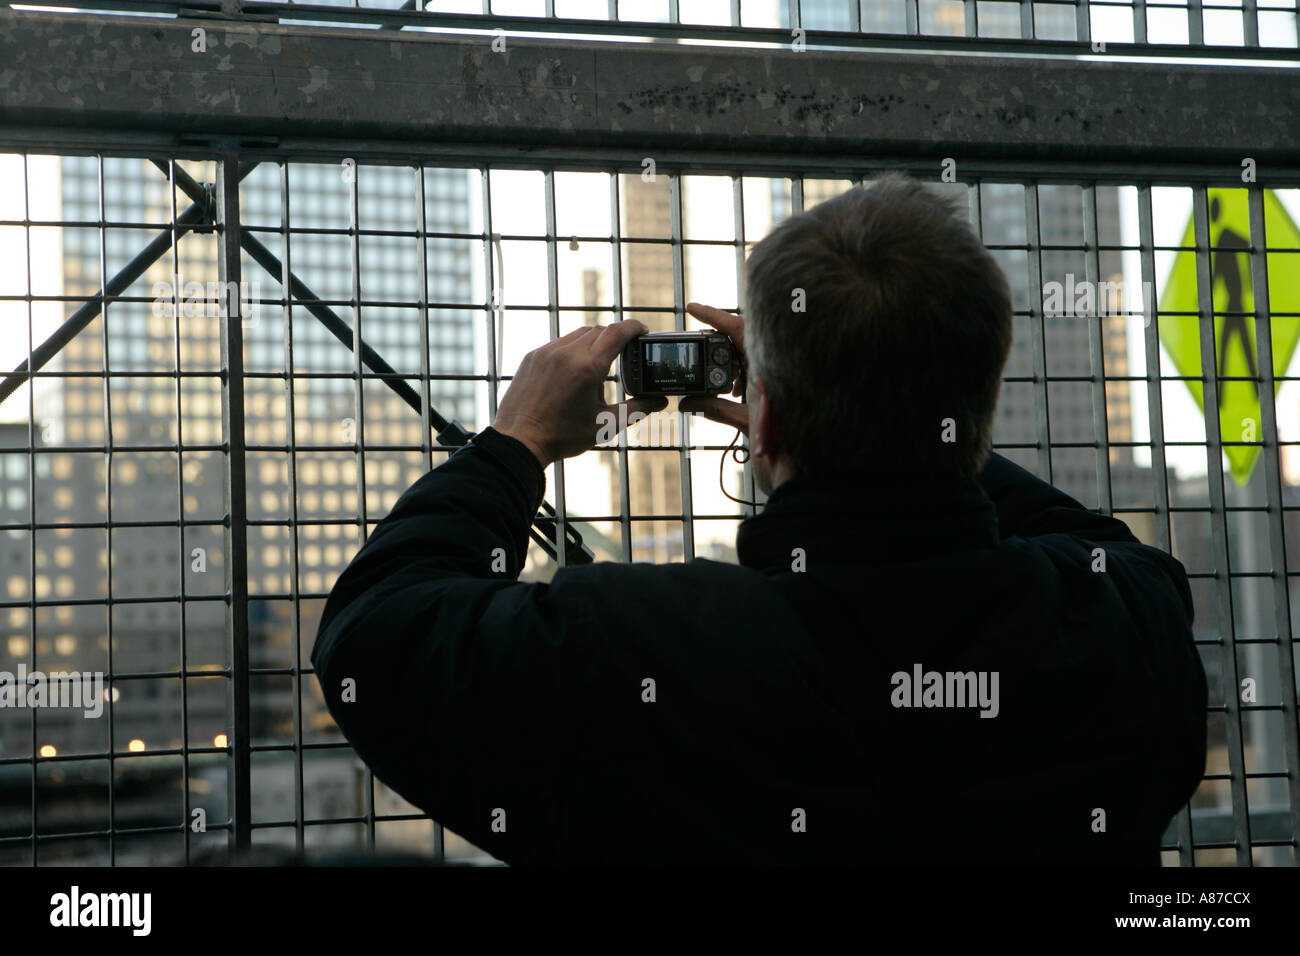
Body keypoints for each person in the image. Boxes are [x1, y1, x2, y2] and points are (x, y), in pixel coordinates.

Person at [312, 173, 1206, 865]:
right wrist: (901, 419)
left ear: (764, 418)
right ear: (983, 394)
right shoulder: (1126, 630)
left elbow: (375, 638)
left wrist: (515, 443)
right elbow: (1097, 546)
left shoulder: (647, 653)